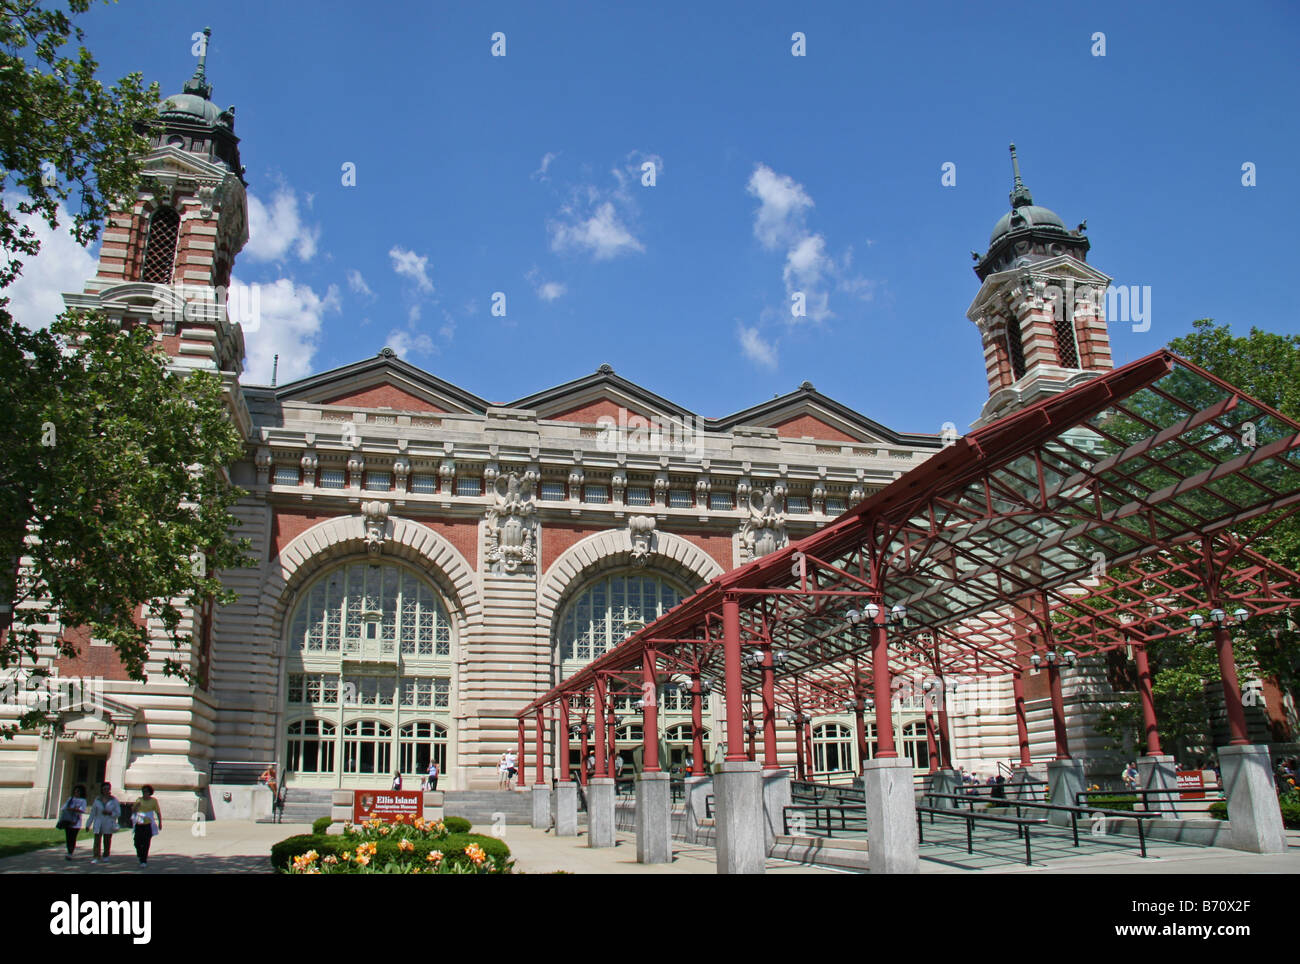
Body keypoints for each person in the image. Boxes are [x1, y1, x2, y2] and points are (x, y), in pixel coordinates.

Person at [89, 782, 121, 864]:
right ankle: (96, 856)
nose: (106, 790)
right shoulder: (97, 799)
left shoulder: (114, 800)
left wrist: (110, 813)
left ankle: (106, 855)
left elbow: (118, 813)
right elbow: (93, 812)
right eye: (104, 789)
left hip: (108, 821)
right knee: (97, 840)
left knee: (107, 840)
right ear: (102, 790)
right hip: (99, 821)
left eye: (107, 789)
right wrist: (88, 824)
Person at [131, 785, 163, 867]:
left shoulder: (153, 801)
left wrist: (160, 823)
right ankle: (140, 854)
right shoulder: (139, 800)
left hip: (148, 824)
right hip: (139, 823)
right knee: (137, 842)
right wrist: (136, 806)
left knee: (146, 843)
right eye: (143, 792)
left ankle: (143, 860)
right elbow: (133, 810)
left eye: (146, 792)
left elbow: (158, 812)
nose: (144, 793)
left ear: (149, 793)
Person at [58, 784, 88, 860]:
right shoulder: (70, 799)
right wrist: (72, 808)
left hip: (76, 822)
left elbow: (82, 810)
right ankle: (69, 851)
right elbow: (64, 808)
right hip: (68, 821)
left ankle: (70, 853)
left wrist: (74, 809)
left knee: (73, 838)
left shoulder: (83, 800)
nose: (76, 792)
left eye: (78, 791)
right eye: (75, 791)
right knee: (68, 838)